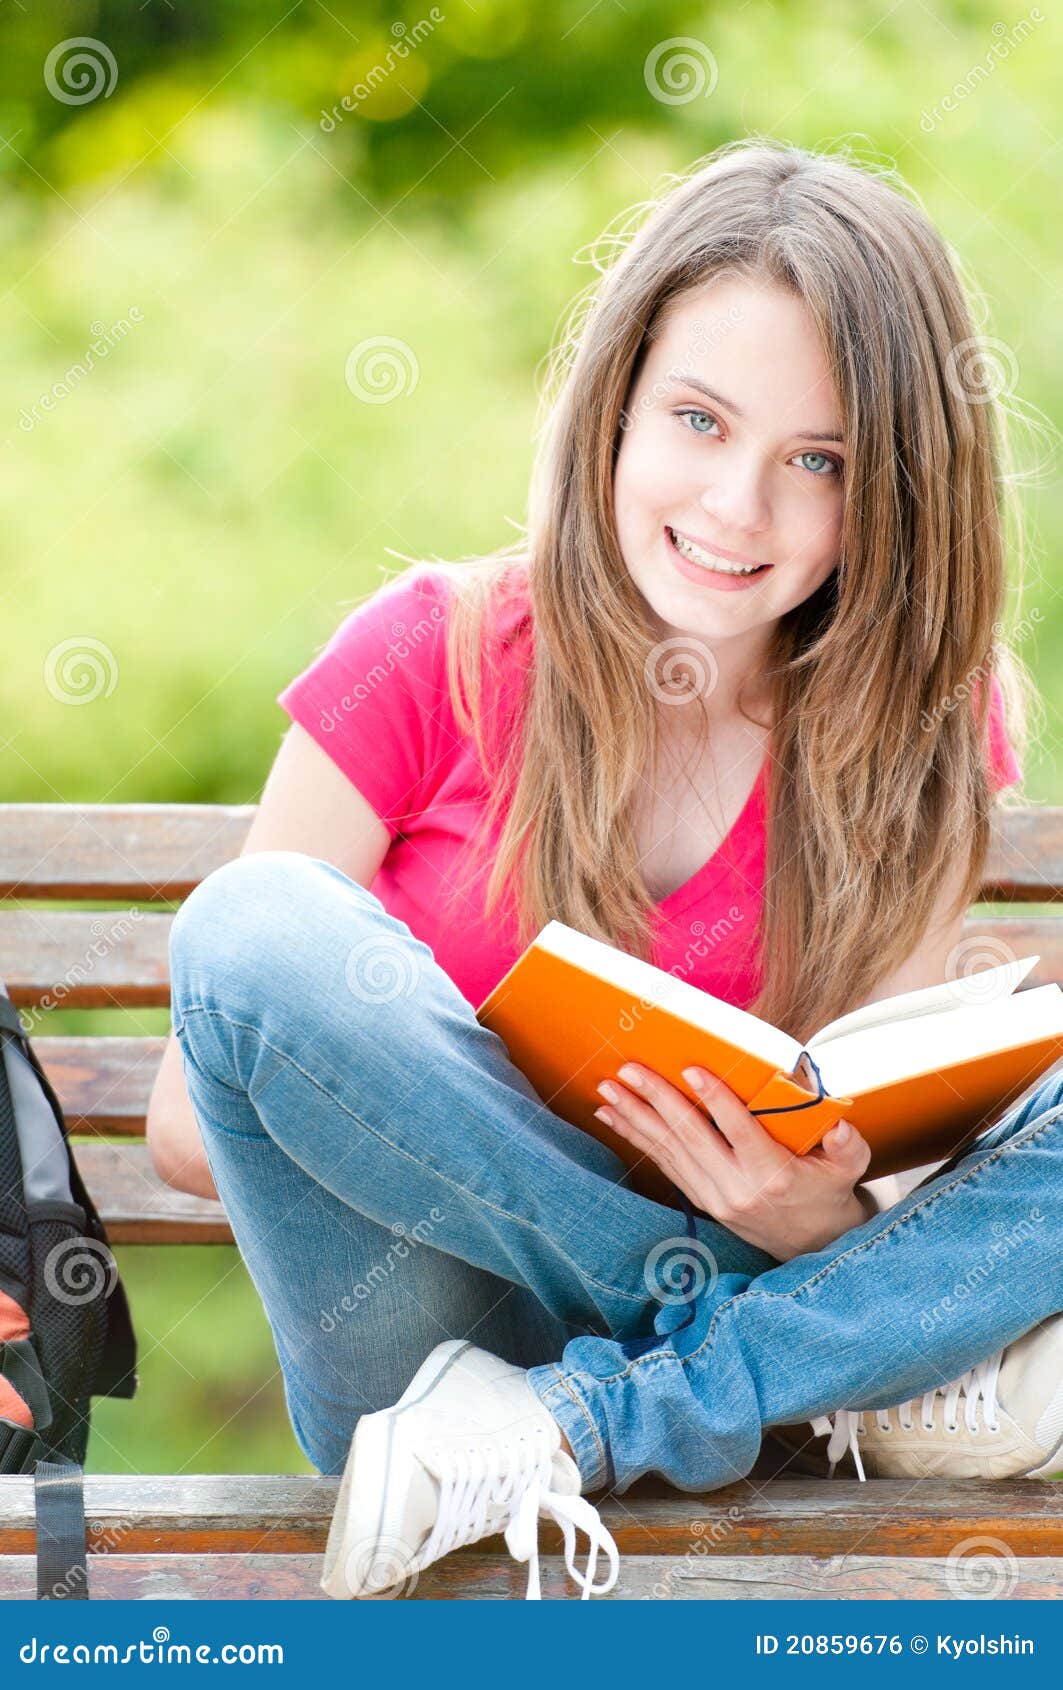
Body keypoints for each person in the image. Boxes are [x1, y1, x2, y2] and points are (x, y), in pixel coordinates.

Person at [147, 140, 1063, 1603]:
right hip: (430, 1363)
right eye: (698, 420)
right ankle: (721, 1361)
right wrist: (486, 1113)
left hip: (734, 1359)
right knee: (253, 930)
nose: (736, 508)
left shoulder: (923, 722)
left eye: (815, 461)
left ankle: (593, 1415)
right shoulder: (427, 652)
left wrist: (814, 1218)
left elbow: (877, 1130)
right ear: (615, 409)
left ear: (889, 492)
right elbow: (196, 1123)